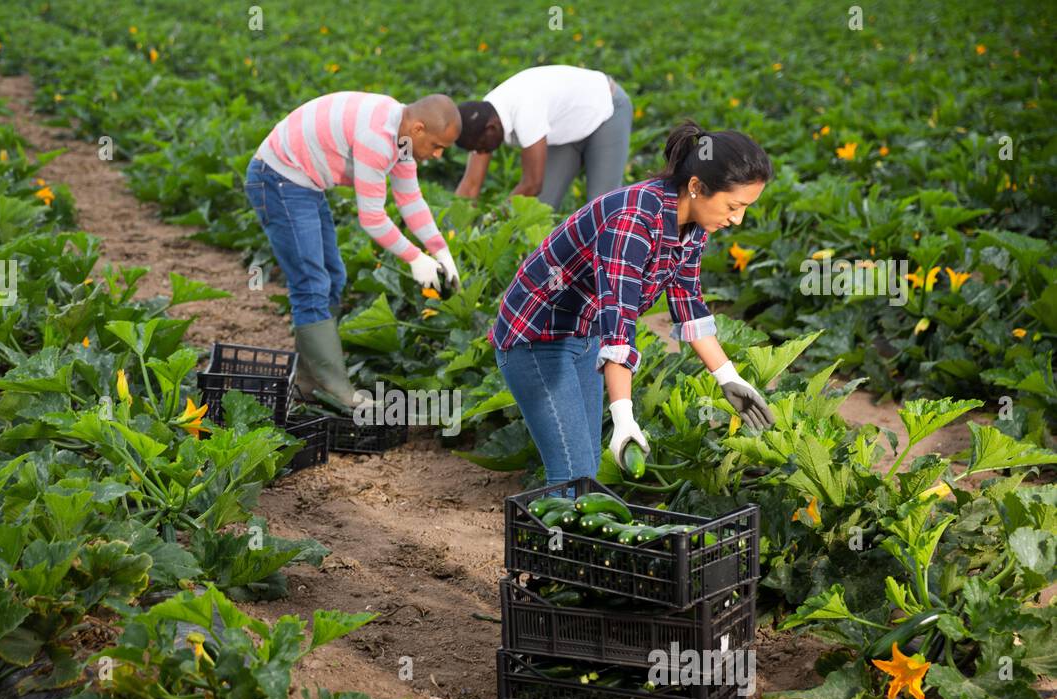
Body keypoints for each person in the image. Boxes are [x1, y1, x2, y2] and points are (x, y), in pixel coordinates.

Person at [489, 120, 777, 486]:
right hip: (536, 336)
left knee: (586, 465)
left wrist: (729, 378)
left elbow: (688, 305)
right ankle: (554, 542)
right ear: (695, 187)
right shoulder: (634, 221)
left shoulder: (692, 227)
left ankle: (567, 536)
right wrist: (624, 417)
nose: (738, 219)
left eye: (746, 207)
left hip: (583, 332)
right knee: (572, 474)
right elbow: (619, 321)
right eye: (734, 205)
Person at [246, 92, 462, 407]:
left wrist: (440, 252)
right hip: (278, 178)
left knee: (333, 275)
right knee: (310, 282)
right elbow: (372, 219)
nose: (439, 155)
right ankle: (336, 388)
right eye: (437, 146)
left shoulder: (401, 137)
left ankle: (308, 383)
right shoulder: (378, 137)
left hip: (303, 183)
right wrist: (415, 258)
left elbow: (409, 199)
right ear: (418, 129)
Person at [454, 65, 633, 210]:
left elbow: (532, 184)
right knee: (541, 206)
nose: (480, 152)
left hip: (606, 109)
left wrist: (494, 219)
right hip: (566, 127)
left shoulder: (525, 111)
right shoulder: (480, 117)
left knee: (602, 207)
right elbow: (470, 185)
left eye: (480, 147)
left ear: (491, 128)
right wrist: (451, 230)